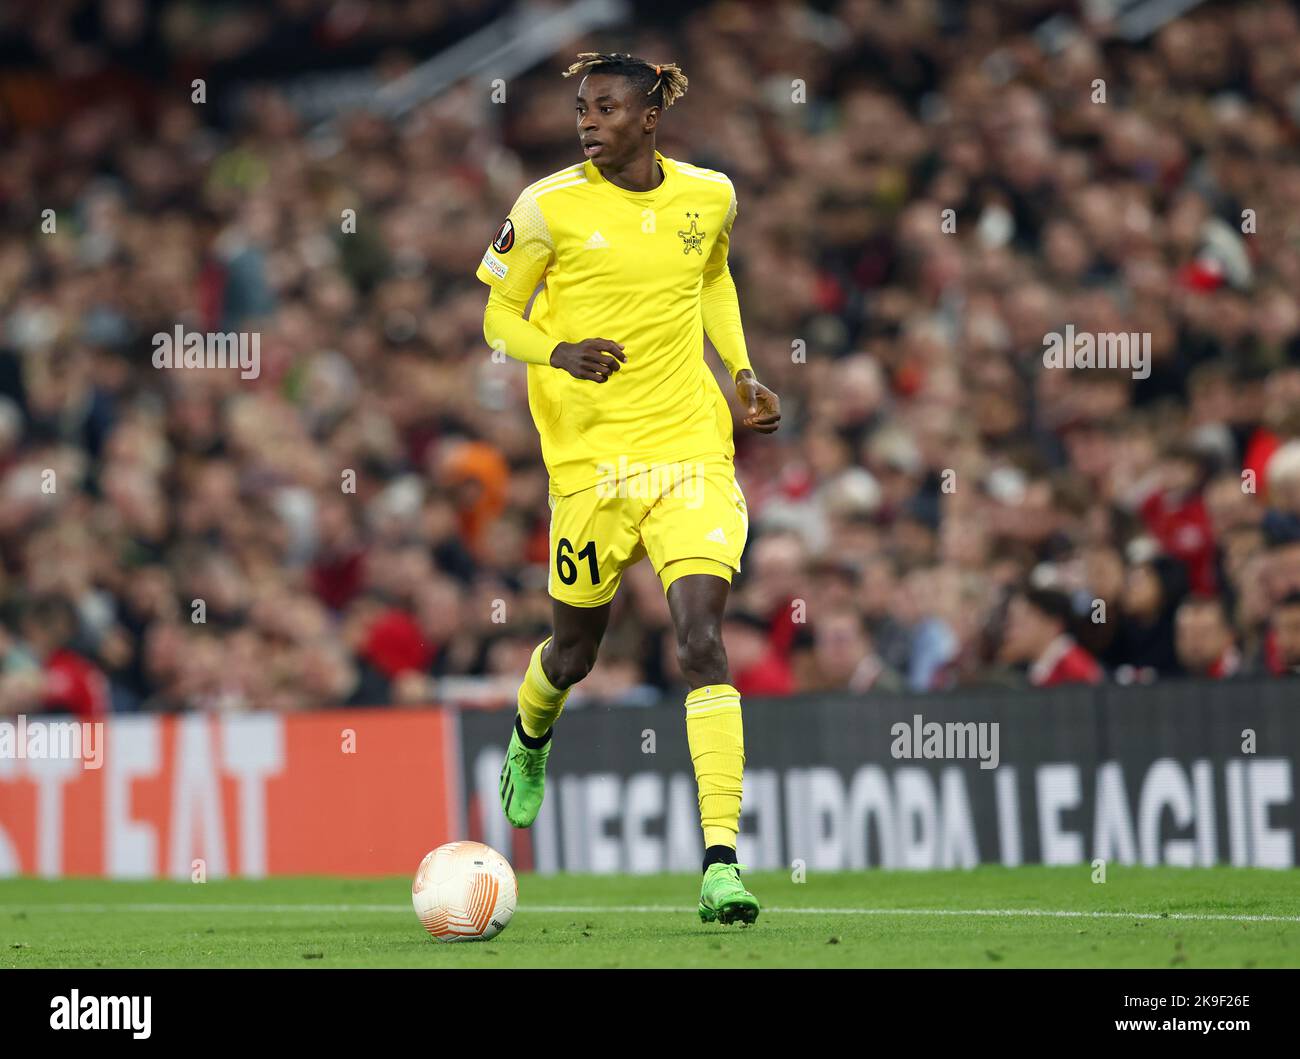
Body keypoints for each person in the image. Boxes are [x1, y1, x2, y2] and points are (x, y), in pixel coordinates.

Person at [475, 52, 781, 925]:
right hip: (590, 467)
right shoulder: (545, 207)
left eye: (605, 108)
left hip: (690, 453)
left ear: (649, 117)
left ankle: (720, 862)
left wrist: (743, 372)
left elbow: (713, 274)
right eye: (581, 108)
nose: (587, 121)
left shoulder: (708, 196)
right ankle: (533, 732)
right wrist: (553, 349)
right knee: (574, 655)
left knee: (700, 640)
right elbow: (497, 313)